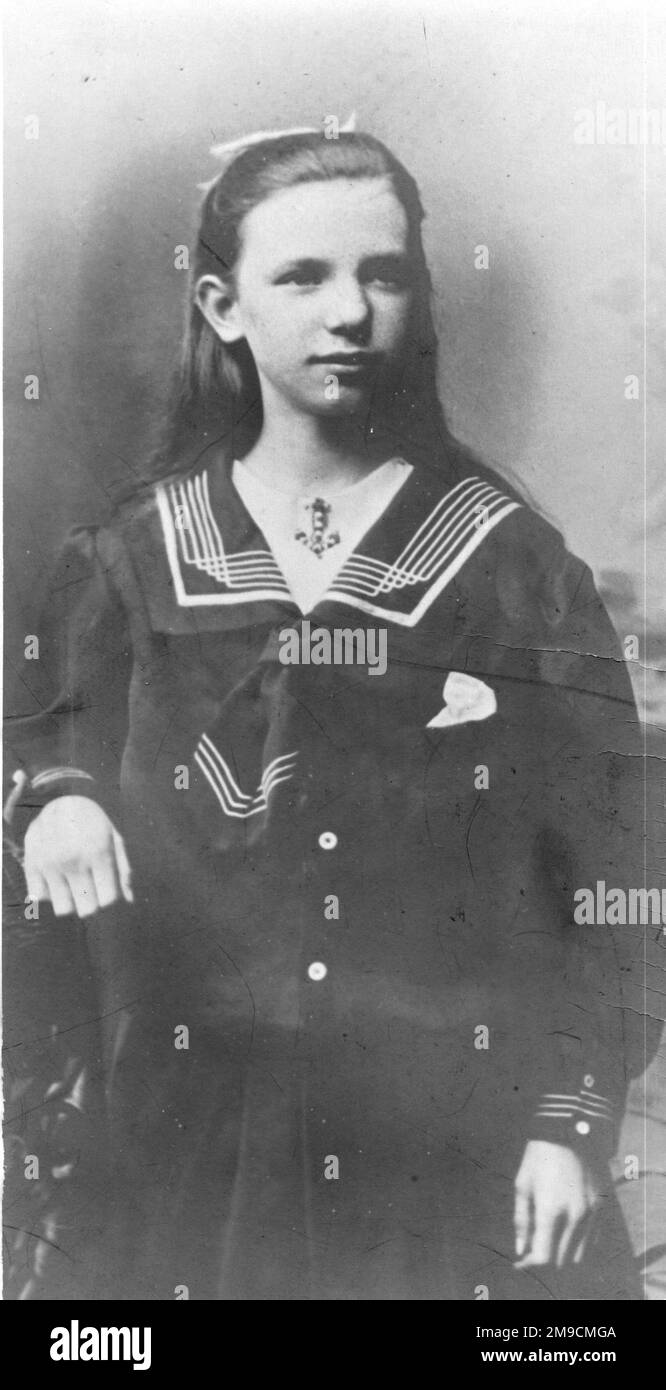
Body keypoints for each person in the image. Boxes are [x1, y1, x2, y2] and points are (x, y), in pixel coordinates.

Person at [5, 124, 655, 1300]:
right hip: (182, 1148)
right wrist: (54, 800)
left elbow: (617, 870)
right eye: (302, 276)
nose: (350, 312)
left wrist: (570, 1121)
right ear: (221, 304)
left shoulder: (515, 571)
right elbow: (47, 737)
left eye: (384, 272)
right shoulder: (128, 562)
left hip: (450, 1153)